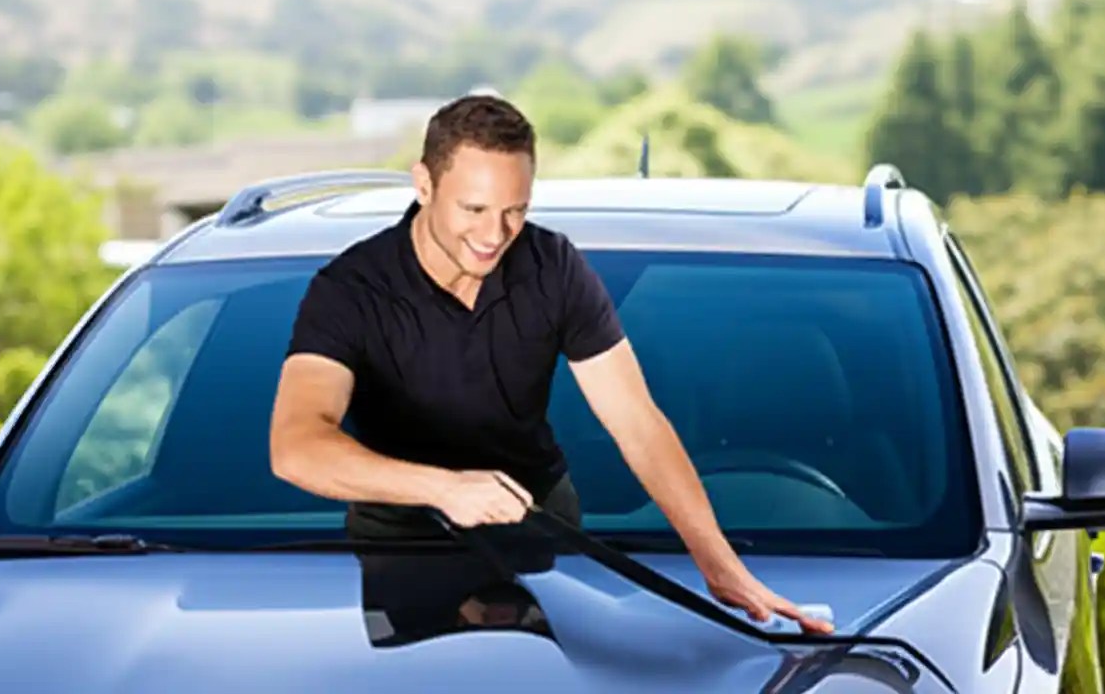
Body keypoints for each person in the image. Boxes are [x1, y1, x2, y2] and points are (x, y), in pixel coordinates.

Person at [269, 94, 833, 635]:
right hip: (398, 550)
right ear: (423, 185)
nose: (495, 236)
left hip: (543, 536)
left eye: (515, 210)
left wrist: (721, 567)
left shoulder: (552, 267)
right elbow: (296, 448)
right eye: (475, 209)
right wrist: (445, 488)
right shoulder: (350, 292)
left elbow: (636, 422)